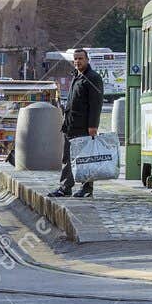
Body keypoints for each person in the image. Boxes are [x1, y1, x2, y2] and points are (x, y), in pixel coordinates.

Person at [51, 49, 103, 199]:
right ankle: (65, 187)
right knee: (67, 158)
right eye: (75, 59)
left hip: (84, 126)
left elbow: (96, 104)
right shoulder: (76, 76)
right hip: (71, 125)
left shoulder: (93, 78)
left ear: (87, 60)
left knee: (84, 158)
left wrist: (93, 126)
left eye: (80, 58)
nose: (78, 61)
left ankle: (87, 189)